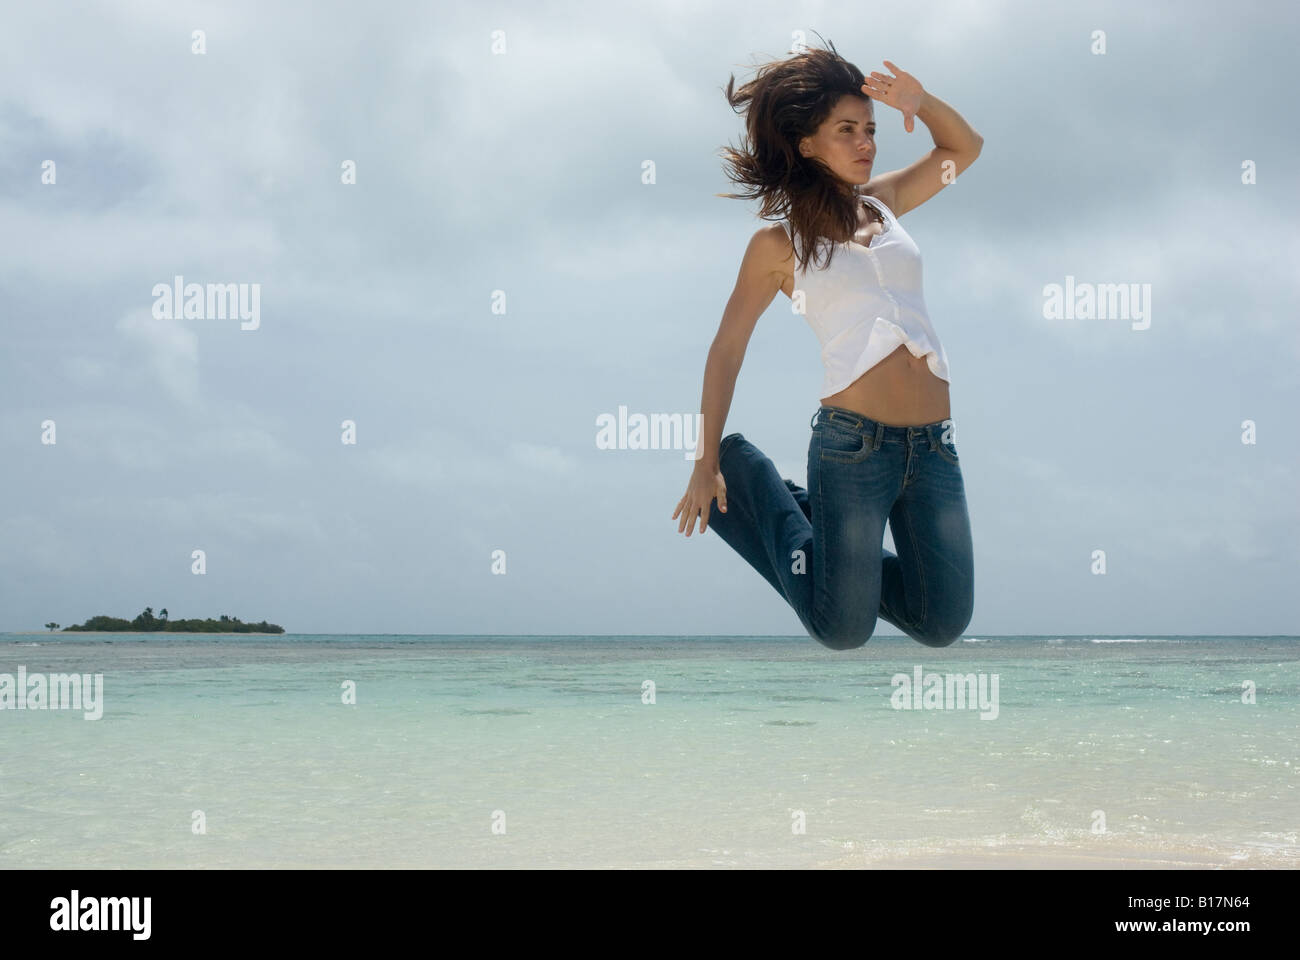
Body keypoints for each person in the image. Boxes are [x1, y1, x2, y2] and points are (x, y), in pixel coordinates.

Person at [672, 42, 982, 651]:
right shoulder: (777, 246)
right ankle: (747, 474)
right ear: (807, 143)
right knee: (843, 628)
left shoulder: (885, 205)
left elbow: (962, 149)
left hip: (934, 448)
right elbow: (726, 348)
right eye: (847, 130)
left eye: (870, 129)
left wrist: (918, 101)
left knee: (942, 620)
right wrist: (706, 461)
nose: (866, 141)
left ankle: (831, 539)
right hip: (853, 447)